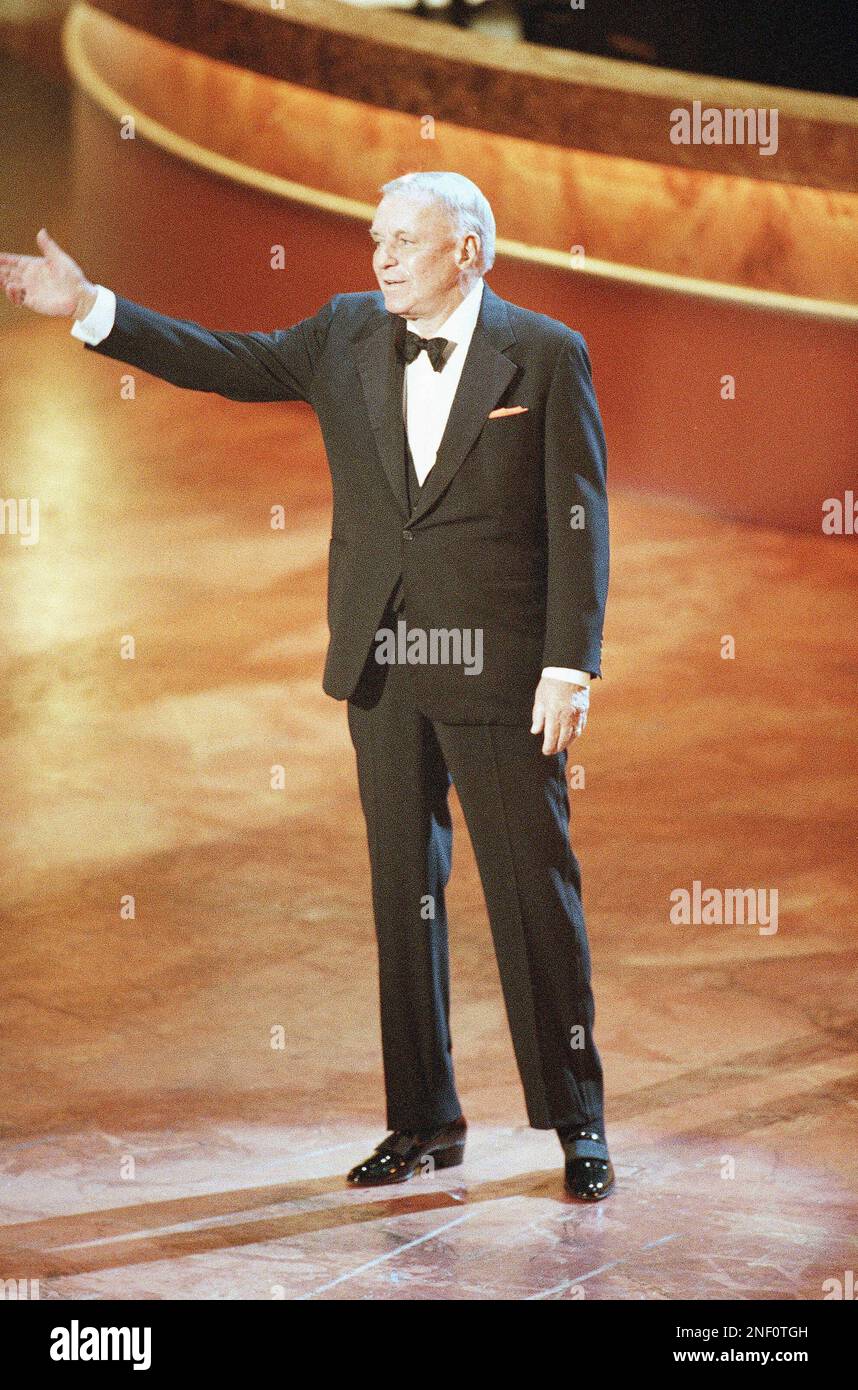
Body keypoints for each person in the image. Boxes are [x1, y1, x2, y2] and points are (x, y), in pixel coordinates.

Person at [1, 171, 613, 1200]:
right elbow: (227, 361)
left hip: (499, 668)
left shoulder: (545, 354)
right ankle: (424, 1120)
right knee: (401, 894)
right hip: (383, 662)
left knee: (530, 892)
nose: (380, 260)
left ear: (466, 250)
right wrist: (94, 308)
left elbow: (579, 518)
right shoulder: (344, 332)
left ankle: (578, 1120)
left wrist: (569, 660)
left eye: (404, 243)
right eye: (376, 239)